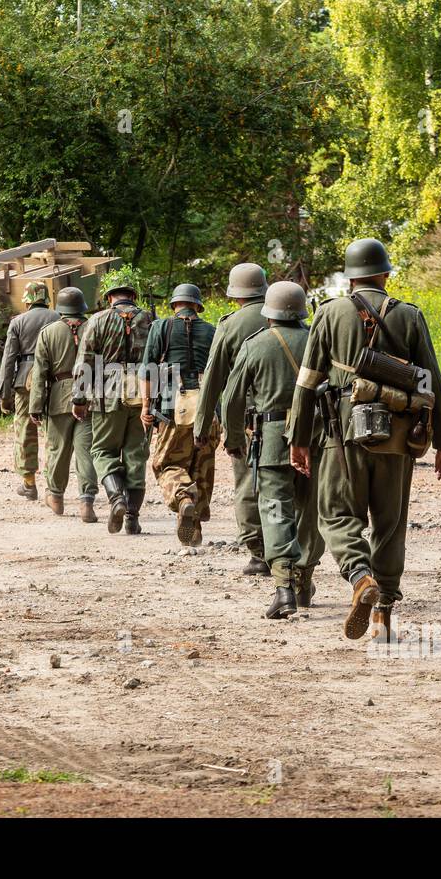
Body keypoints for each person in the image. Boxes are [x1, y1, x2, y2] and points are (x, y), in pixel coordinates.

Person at [287, 238, 441, 641]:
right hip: (399, 437)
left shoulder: (328, 314)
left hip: (342, 433)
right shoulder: (409, 316)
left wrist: (298, 437)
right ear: (385, 273)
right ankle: (383, 615)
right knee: (390, 524)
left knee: (335, 515)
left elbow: (307, 382)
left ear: (349, 278)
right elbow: (433, 382)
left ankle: (360, 577)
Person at [221, 282, 324, 618]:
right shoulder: (318, 341)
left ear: (268, 313)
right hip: (317, 438)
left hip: (272, 441)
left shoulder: (257, 345)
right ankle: (303, 580)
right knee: (311, 512)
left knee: (276, 510)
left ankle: (283, 589)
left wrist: (235, 438)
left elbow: (233, 399)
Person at [193, 263, 270, 574]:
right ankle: (290, 548)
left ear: (235, 293)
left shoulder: (230, 325)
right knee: (284, 484)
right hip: (290, 417)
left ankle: (259, 552)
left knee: (247, 484)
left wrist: (201, 426)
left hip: (246, 420)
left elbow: (213, 379)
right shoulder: (286, 316)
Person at [72, 279, 155, 534]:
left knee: (103, 451)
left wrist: (79, 399)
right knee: (136, 455)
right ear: (133, 296)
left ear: (110, 298)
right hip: (142, 393)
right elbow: (159, 359)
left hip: (107, 393)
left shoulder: (97, 320)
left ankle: (116, 498)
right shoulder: (150, 320)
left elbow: (85, 360)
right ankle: (132, 518)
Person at [140, 283, 217, 546]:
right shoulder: (212, 330)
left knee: (167, 464)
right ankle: (194, 528)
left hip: (173, 406)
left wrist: (145, 407)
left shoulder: (161, 327)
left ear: (174, 305)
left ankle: (184, 499)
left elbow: (148, 370)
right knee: (201, 466)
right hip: (208, 406)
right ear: (197, 305)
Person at [29, 287, 99, 522]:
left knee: (57, 450)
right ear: (82, 307)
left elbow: (40, 372)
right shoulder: (94, 327)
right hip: (90, 396)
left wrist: (35, 406)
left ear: (60, 308)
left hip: (59, 398)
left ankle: (56, 498)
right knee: (85, 451)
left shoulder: (49, 332)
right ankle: (86, 502)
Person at [0, 282, 60, 499]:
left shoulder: (18, 321)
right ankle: (54, 486)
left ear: (27, 299)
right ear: (46, 298)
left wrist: (4, 394)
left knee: (25, 429)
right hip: (54, 379)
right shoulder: (58, 317)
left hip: (25, 381)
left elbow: (8, 360)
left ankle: (29, 483)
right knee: (55, 431)